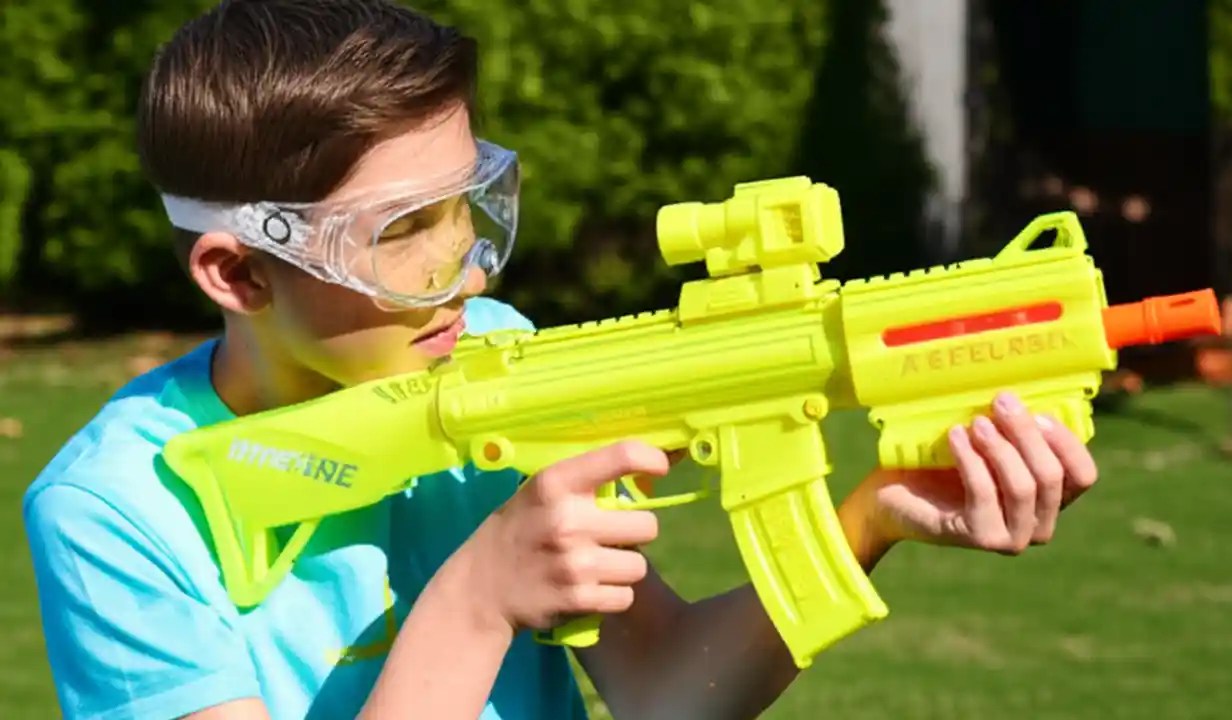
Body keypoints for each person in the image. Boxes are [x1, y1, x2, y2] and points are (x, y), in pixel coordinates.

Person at [22, 1, 1100, 719]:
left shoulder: (492, 363)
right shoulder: (117, 511)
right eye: (401, 232)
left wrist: (870, 518)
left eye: (473, 210)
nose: (467, 273)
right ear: (238, 274)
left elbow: (667, 693)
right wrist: (478, 599)